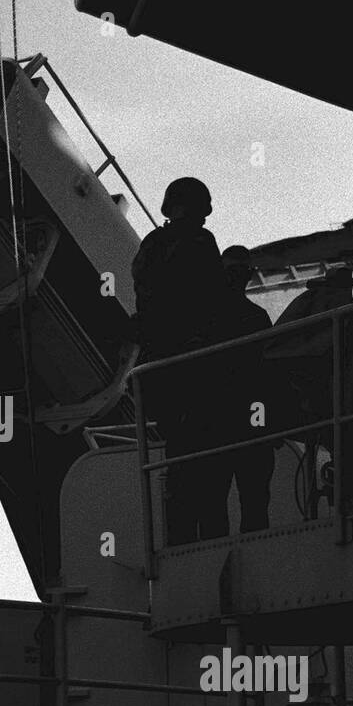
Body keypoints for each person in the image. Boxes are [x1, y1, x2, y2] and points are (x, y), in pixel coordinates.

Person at [131, 177, 232, 544]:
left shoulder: (152, 247)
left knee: (180, 460)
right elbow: (213, 299)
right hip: (194, 367)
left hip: (166, 367)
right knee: (204, 461)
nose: (204, 216)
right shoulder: (198, 243)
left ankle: (183, 536)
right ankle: (202, 535)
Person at [218, 245, 276, 531]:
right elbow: (269, 374)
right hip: (250, 422)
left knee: (213, 505)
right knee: (254, 504)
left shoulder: (203, 318)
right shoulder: (257, 318)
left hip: (217, 422)